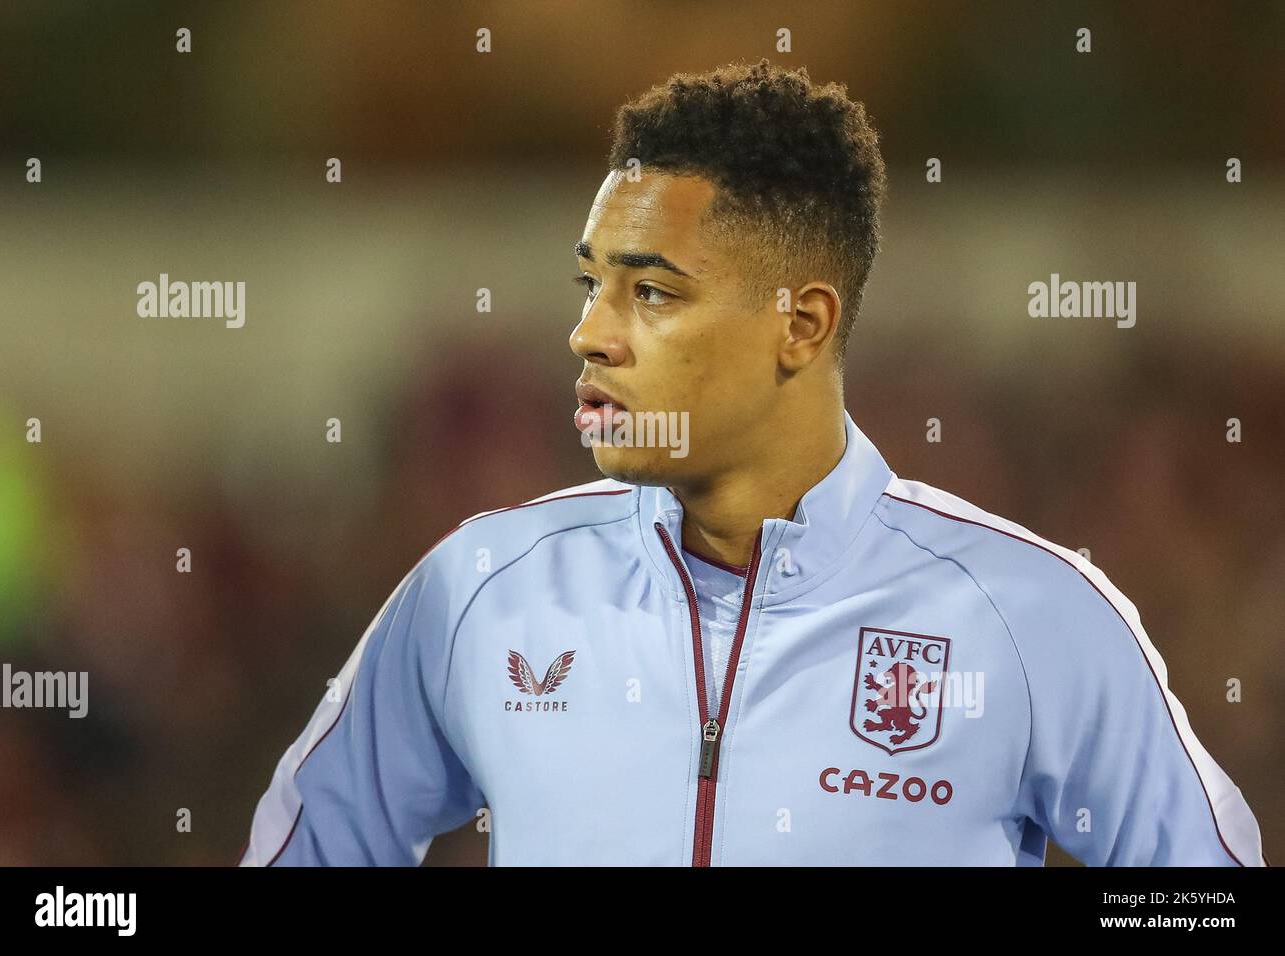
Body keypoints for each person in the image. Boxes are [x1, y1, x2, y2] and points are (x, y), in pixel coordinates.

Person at [239, 60, 1265, 866]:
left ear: (801, 325)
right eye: (591, 285)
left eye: (651, 293)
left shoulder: (1027, 613)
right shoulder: (479, 589)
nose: (588, 334)